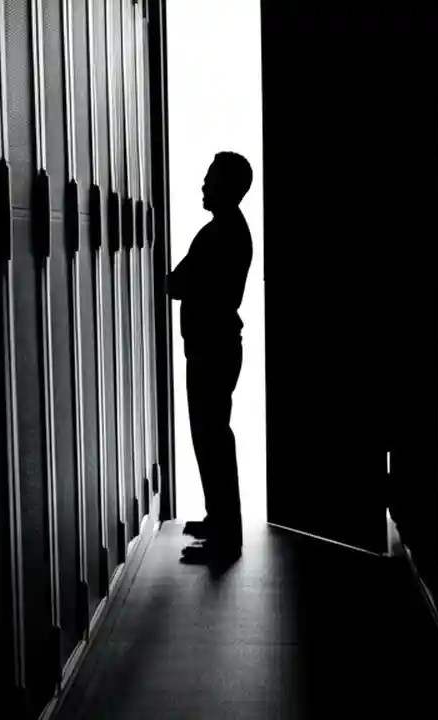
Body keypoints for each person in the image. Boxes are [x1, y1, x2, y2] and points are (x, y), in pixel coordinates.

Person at [167, 151, 253, 566]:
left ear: (228, 186)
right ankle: (219, 519)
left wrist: (178, 282)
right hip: (213, 345)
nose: (203, 185)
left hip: (211, 349)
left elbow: (181, 283)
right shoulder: (225, 230)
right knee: (212, 437)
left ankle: (225, 534)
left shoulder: (221, 234)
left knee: (212, 438)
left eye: (210, 178)